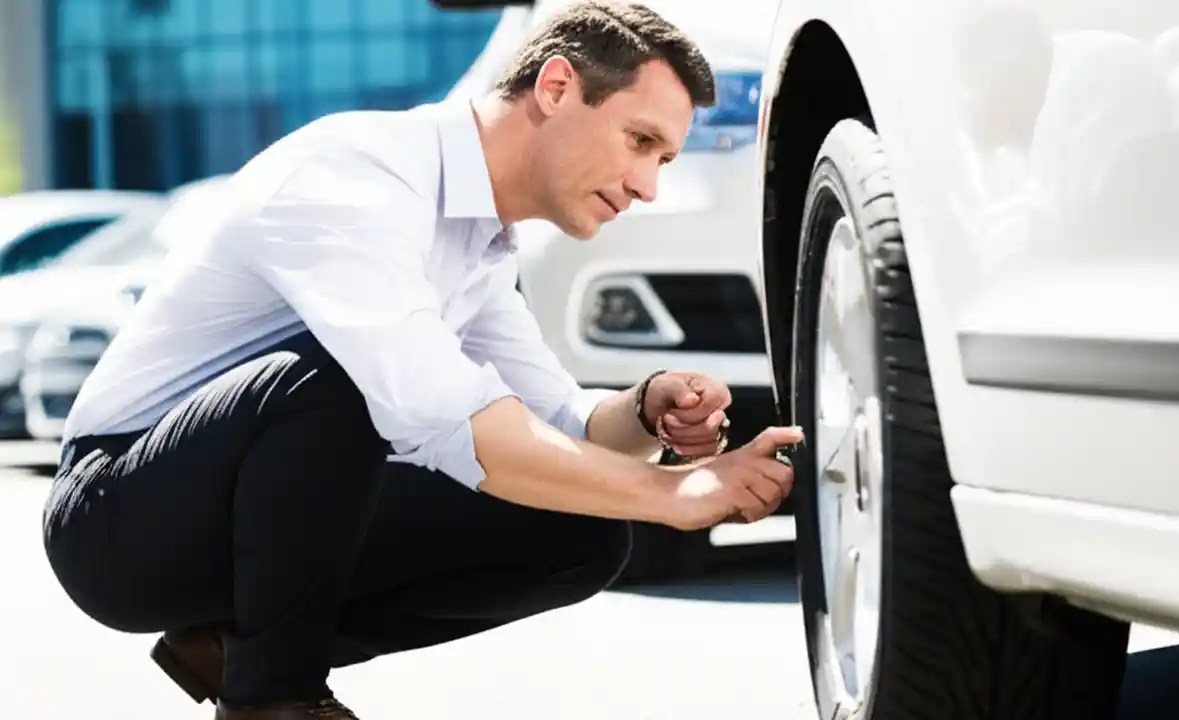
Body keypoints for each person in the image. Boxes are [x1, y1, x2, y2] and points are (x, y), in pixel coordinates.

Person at [41, 2, 801, 718]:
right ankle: (276, 699)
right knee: (338, 381)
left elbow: (558, 425)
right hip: (118, 516)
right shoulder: (359, 179)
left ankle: (238, 653)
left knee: (581, 534)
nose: (647, 186)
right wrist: (677, 495)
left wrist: (646, 409)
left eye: (665, 159)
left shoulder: (477, 242)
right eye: (640, 143)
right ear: (558, 85)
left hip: (246, 508)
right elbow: (454, 420)